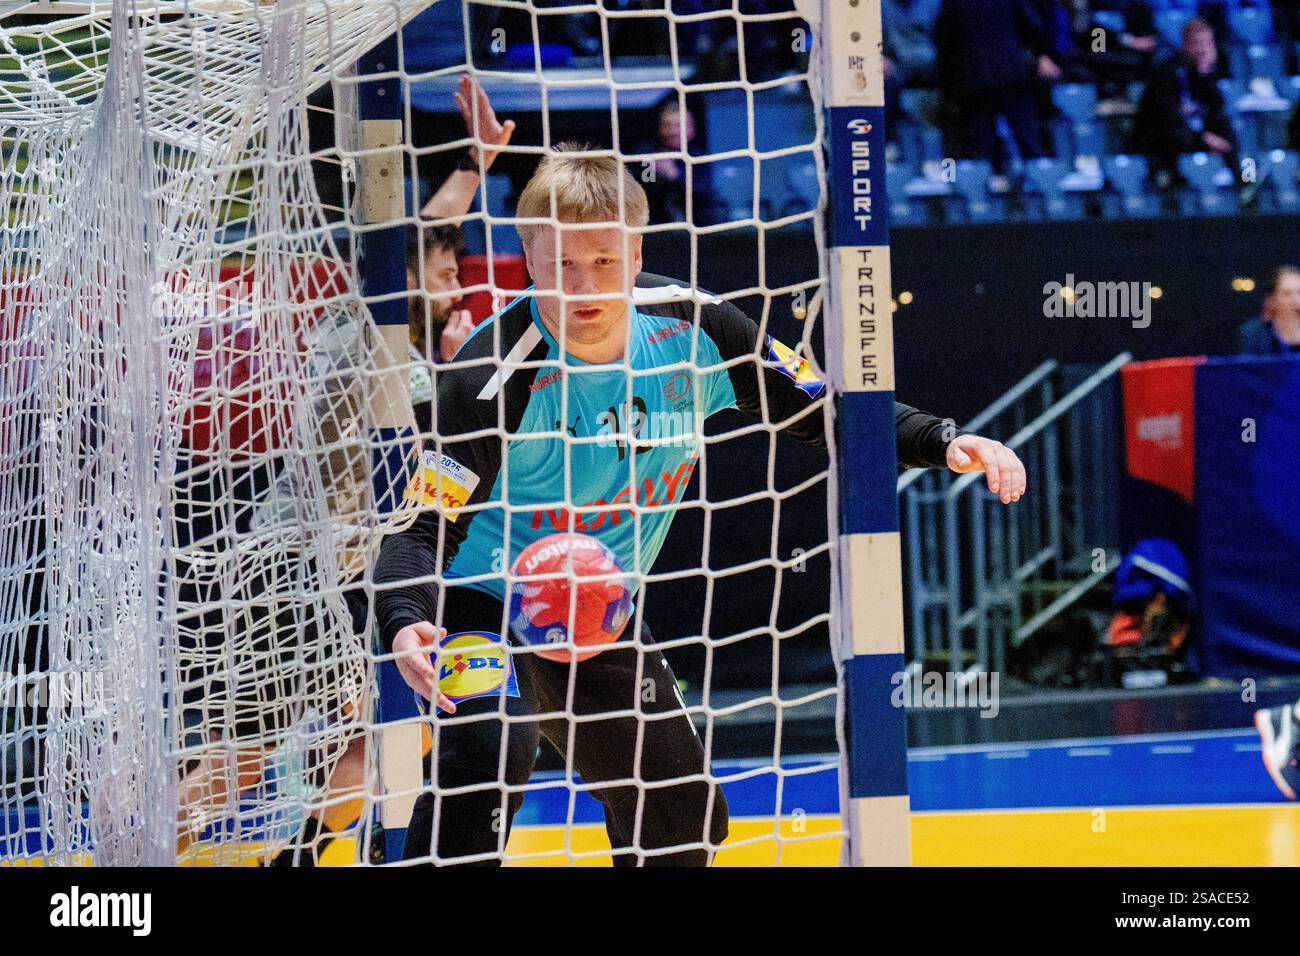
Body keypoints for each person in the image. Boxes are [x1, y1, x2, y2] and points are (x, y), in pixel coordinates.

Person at [373, 143, 1028, 867]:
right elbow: (418, 527)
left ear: (637, 247)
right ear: (527, 257)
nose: (583, 286)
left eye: (605, 261)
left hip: (596, 609)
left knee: (681, 808)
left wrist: (942, 441)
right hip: (480, 601)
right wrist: (407, 622)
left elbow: (824, 410)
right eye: (560, 264)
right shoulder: (491, 377)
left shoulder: (696, 329)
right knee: (491, 748)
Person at [174, 75, 517, 866]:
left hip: (342, 576)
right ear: (407, 281)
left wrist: (474, 160)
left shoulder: (388, 329)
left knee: (380, 740)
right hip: (294, 574)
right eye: (448, 271)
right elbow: (414, 255)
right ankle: (140, 856)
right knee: (241, 764)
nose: (460, 280)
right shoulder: (377, 339)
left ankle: (293, 852)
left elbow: (424, 241)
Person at [935, 0, 1057, 168]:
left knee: (981, 145)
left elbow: (943, 39)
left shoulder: (954, 3)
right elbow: (1034, 27)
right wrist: (1042, 53)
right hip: (1011, 72)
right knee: (1028, 138)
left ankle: (979, 189)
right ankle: (1044, 183)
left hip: (975, 76)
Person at [1130, 19, 1238, 187]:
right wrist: (1204, 139)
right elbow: (1168, 123)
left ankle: (1245, 187)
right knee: (1180, 140)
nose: (1203, 50)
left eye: (1208, 43)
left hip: (1194, 141)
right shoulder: (1167, 73)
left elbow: (1218, 114)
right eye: (1197, 43)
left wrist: (1206, 76)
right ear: (1185, 46)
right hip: (1161, 147)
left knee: (1231, 136)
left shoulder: (1207, 75)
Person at [1237, 266, 1300, 356]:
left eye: (1299, 292)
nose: (1296, 300)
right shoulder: (1253, 333)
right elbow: (1246, 368)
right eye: (1287, 294)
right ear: (1272, 299)